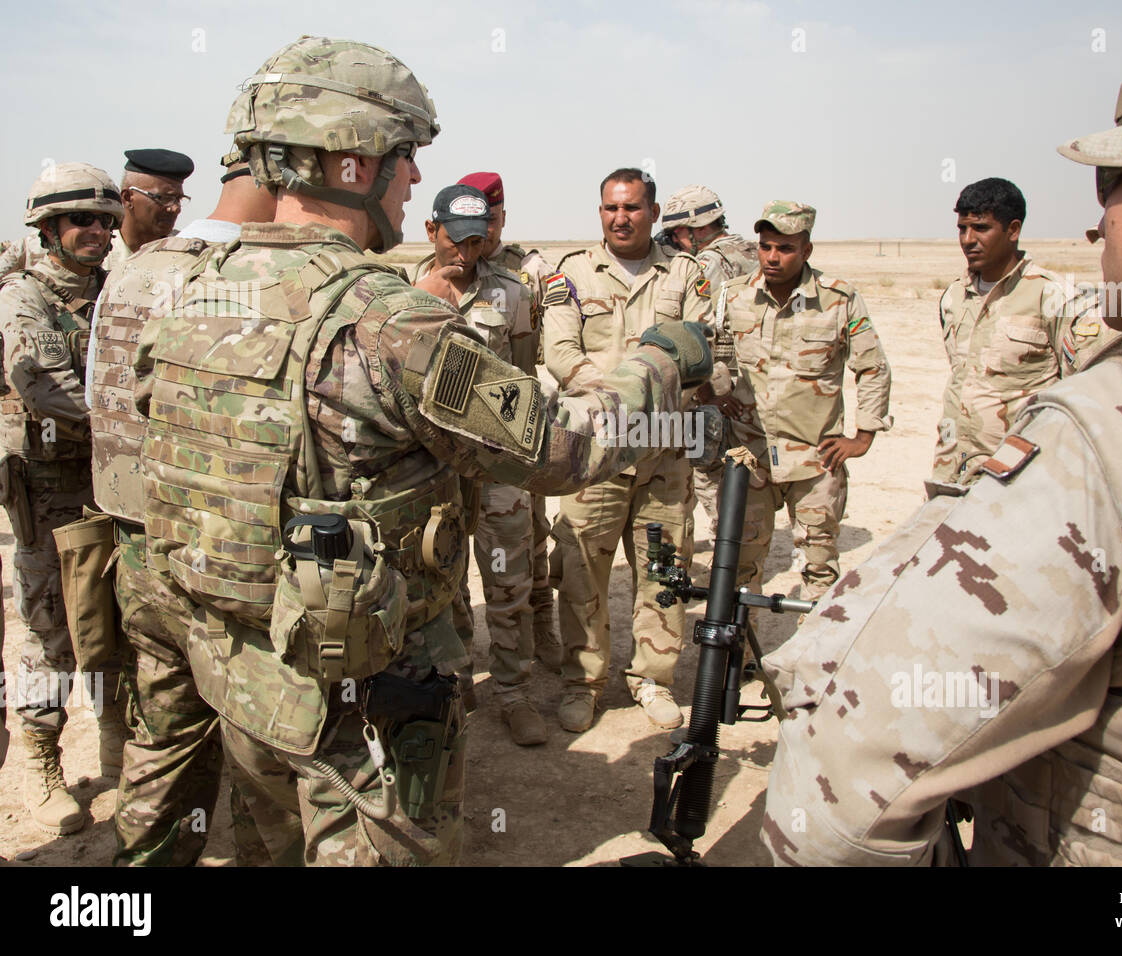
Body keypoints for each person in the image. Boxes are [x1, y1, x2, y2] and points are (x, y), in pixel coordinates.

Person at [136, 36, 711, 866]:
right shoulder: (387, 318)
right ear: (348, 164)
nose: (413, 179)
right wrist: (660, 360)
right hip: (365, 698)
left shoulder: (193, 290)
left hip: (239, 680)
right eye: (403, 155)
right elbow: (555, 448)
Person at [761, 4, 1122, 867]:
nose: (1101, 221)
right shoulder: (955, 303)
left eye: (1109, 183)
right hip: (964, 490)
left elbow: (839, 804)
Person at [89, 149, 291, 865]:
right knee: (261, 741)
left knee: (164, 736)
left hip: (138, 546)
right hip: (219, 553)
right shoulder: (244, 277)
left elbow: (100, 402)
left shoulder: (134, 271)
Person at [543, 168, 712, 732]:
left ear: (654, 212)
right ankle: (583, 682)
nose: (622, 218)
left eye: (634, 208)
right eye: (612, 208)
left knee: (663, 571)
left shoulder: (685, 274)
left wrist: (637, 396)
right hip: (595, 456)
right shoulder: (572, 274)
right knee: (581, 572)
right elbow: (562, 353)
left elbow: (701, 353)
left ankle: (652, 679)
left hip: (663, 455)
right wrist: (627, 397)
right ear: (600, 214)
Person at [0, 162, 127, 834]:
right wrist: (135, 423)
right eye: (82, 220)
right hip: (51, 497)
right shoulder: (23, 297)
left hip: (112, 489)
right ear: (47, 227)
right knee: (52, 633)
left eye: (106, 220)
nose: (98, 231)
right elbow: (46, 388)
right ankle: (42, 762)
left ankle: (115, 742)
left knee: (122, 620)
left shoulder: (116, 291)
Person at [411, 183, 548, 746]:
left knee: (508, 581)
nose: (467, 254)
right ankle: (459, 681)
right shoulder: (405, 292)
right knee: (444, 579)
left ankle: (514, 693)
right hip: (435, 467)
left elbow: (523, 378)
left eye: (477, 240)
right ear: (431, 231)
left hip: (496, 468)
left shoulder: (513, 295)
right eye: (456, 241)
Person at [721, 201, 892, 612]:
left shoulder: (839, 299)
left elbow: (872, 367)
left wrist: (863, 435)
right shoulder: (735, 297)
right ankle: (743, 664)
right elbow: (716, 358)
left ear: (807, 250)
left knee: (819, 570)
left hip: (816, 461)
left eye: (785, 248)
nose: (772, 257)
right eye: (765, 247)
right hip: (750, 456)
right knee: (740, 572)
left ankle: (813, 667)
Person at [931, 177, 1108, 492]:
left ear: (1012, 230)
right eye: (962, 228)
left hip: (1018, 481)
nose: (968, 239)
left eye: (981, 228)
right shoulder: (953, 298)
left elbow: (1088, 393)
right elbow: (962, 378)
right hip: (953, 473)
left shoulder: (1054, 297)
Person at [456, 171, 562, 673]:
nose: (485, 234)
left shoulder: (527, 272)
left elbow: (525, 366)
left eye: (492, 221)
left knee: (531, 535)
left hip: (511, 436)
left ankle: (540, 621)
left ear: (502, 217)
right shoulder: (426, 275)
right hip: (459, 449)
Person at [661, 185, 760, 540]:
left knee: (708, 473)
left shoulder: (707, 264)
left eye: (677, 233)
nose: (674, 241)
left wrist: (705, 394)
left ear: (697, 227)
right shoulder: (753, 251)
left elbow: (700, 335)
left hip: (717, 389)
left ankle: (728, 555)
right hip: (750, 387)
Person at [103, 149, 194, 273]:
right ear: (127, 198)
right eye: (163, 198)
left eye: (179, 199)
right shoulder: (99, 255)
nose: (175, 208)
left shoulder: (186, 254)